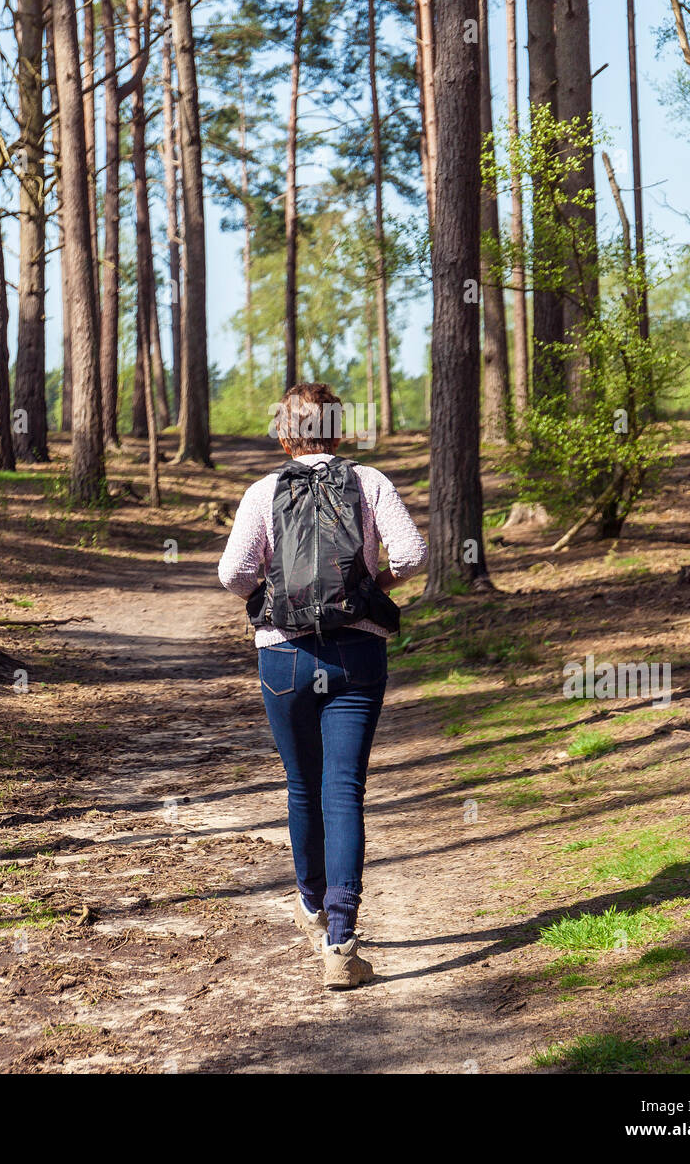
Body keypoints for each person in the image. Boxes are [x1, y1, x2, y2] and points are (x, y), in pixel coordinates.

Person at [218, 382, 428, 989]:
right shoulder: (370, 482)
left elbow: (233, 573)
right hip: (358, 650)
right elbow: (412, 555)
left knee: (301, 785)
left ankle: (311, 906)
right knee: (345, 790)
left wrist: (272, 593)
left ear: (284, 433)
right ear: (340, 430)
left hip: (282, 654)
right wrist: (371, 589)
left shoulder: (262, 491)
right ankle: (341, 940)